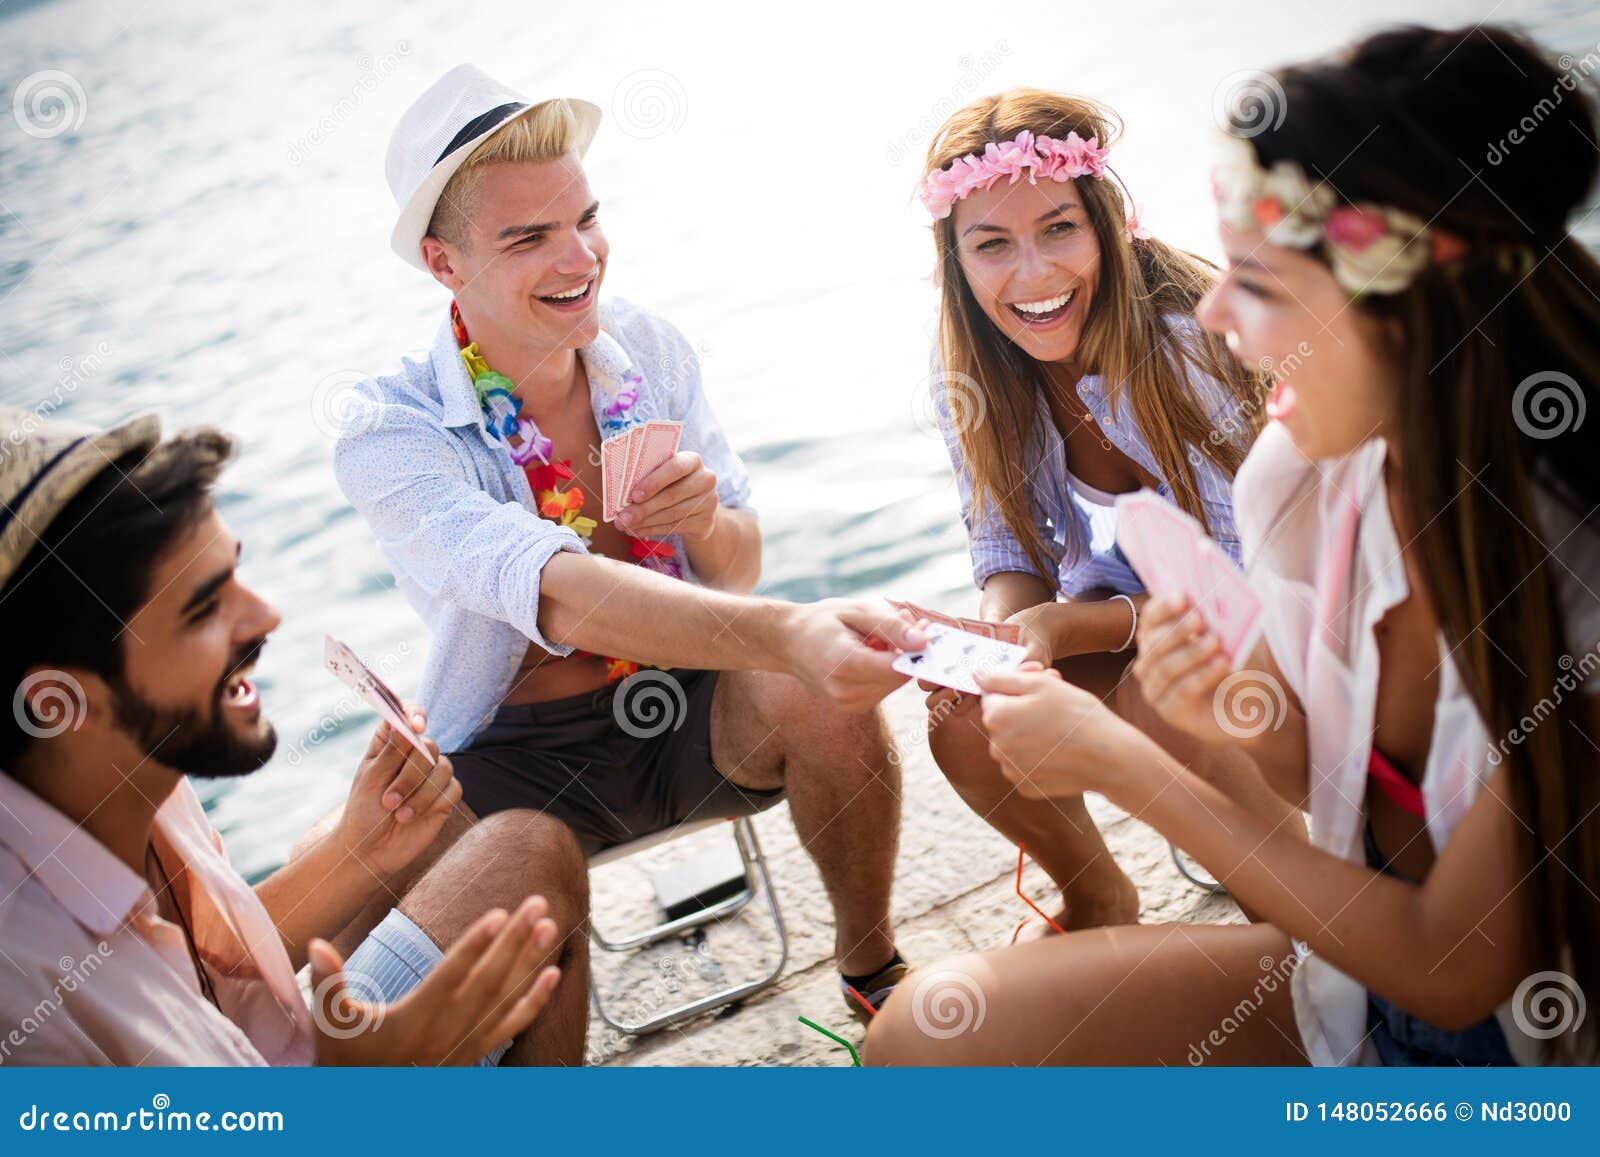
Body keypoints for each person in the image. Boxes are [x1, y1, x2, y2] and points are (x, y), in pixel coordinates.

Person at [867, 23, 1600, 1067]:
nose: (1213, 309)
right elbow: (1319, 781)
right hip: (1351, 1000)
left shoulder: (1573, 572)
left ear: (1400, 301)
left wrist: (1127, 763)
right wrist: (1232, 704)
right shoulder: (1309, 478)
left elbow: (1457, 966)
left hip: (1527, 1066)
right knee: (920, 1038)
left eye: (1254, 280)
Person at [329, 65, 924, 1046]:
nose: (580, 257)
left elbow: (738, 564)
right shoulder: (387, 429)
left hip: (688, 713)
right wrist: (800, 630)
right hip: (511, 760)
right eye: (529, 238)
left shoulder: (645, 343)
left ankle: (873, 971)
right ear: (444, 264)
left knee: (826, 693)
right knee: (355, 898)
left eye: (586, 219)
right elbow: (551, 592)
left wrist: (701, 522)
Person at [0, 407, 563, 1066]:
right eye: (203, 608)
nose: (266, 615)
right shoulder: (23, 994)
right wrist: (364, 1075)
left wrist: (362, 844)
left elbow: (206, 963)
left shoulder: (129, 755)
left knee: (526, 855)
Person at [914, 89, 1294, 934]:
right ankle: (1096, 893)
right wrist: (1004, 637)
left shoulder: (1191, 341)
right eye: (992, 246)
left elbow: (1251, 584)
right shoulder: (970, 383)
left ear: (1106, 226)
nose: (1035, 274)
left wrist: (1067, 629)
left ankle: (1298, 907)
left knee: (1168, 696)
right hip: (1129, 618)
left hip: (1281, 622)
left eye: (1059, 228)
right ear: (958, 266)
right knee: (959, 712)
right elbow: (1003, 544)